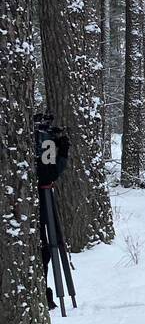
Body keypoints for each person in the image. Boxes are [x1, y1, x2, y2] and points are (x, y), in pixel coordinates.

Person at [34, 115, 69, 311]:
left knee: (42, 247)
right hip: (40, 199)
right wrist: (62, 152)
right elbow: (49, 173)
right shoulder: (44, 141)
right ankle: (41, 291)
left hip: (38, 198)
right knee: (42, 248)